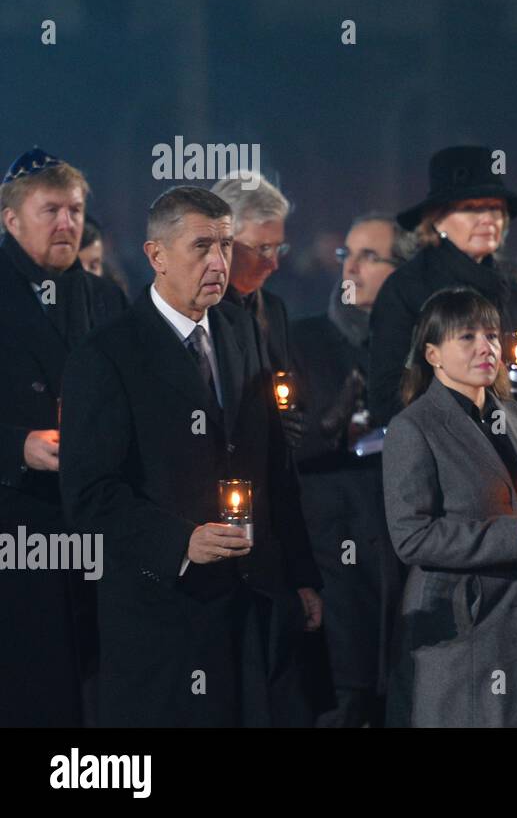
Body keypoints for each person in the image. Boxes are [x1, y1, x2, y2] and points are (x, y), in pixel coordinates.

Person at [59, 186, 322, 726]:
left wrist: (302, 575)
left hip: (250, 609)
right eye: (201, 246)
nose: (218, 262)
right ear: (156, 255)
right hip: (161, 618)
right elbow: (90, 495)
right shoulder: (107, 354)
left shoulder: (242, 329)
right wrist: (182, 541)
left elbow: (274, 467)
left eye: (225, 246)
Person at [383, 287, 517, 727]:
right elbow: (412, 536)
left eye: (491, 335)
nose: (486, 348)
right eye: (466, 337)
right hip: (459, 621)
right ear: (433, 354)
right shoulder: (414, 427)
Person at [0, 148, 127, 726]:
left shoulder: (106, 298)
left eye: (75, 210)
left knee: (102, 686)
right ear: (11, 220)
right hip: (19, 526)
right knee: (36, 686)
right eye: (50, 210)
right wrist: (16, 447)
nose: (66, 223)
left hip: (101, 523)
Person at [291, 212, 416, 726]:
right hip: (331, 573)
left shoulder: (419, 351)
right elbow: (274, 452)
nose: (351, 267)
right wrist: (330, 429)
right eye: (347, 254)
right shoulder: (300, 340)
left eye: (370, 256)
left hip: (404, 570)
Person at [368, 146, 517, 427]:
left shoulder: (515, 295)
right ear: (437, 219)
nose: (487, 219)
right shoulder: (407, 288)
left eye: (495, 207)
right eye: (471, 208)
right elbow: (386, 396)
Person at [210, 173, 306, 449]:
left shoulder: (274, 310)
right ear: (224, 241)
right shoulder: (197, 312)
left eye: (279, 248)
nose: (274, 264)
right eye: (262, 248)